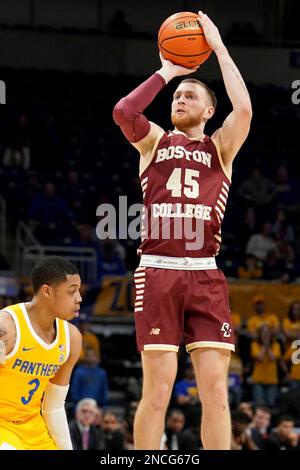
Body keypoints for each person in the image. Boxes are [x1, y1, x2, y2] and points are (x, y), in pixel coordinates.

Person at [113, 10, 252, 450]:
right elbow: (124, 110)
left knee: (216, 393)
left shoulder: (221, 149)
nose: (180, 99)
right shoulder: (153, 141)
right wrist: (168, 70)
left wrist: (219, 47)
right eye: (178, 96)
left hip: (206, 274)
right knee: (157, 391)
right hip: (157, 271)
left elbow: (244, 108)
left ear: (210, 110)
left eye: (190, 95)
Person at [0, 256, 82, 450]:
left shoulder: (71, 338)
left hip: (34, 429)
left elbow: (53, 407)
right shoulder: (6, 329)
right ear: (47, 291)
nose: (79, 298)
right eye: (72, 291)